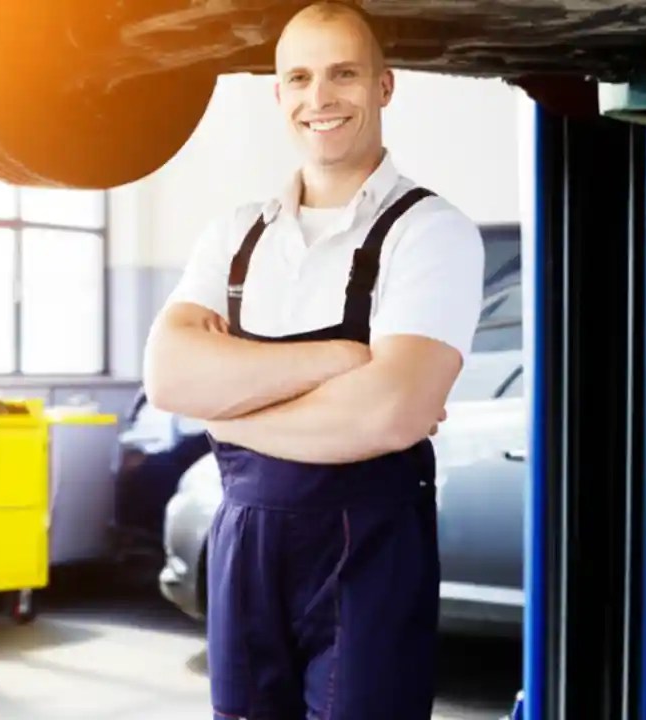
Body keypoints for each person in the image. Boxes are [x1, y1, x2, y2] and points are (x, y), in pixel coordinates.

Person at [142, 2, 485, 718]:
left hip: (369, 556)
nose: (319, 97)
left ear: (384, 86)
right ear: (279, 94)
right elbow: (170, 377)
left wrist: (229, 413)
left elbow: (391, 413)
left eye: (343, 74)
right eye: (299, 78)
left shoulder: (431, 231)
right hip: (243, 543)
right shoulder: (236, 235)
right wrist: (338, 359)